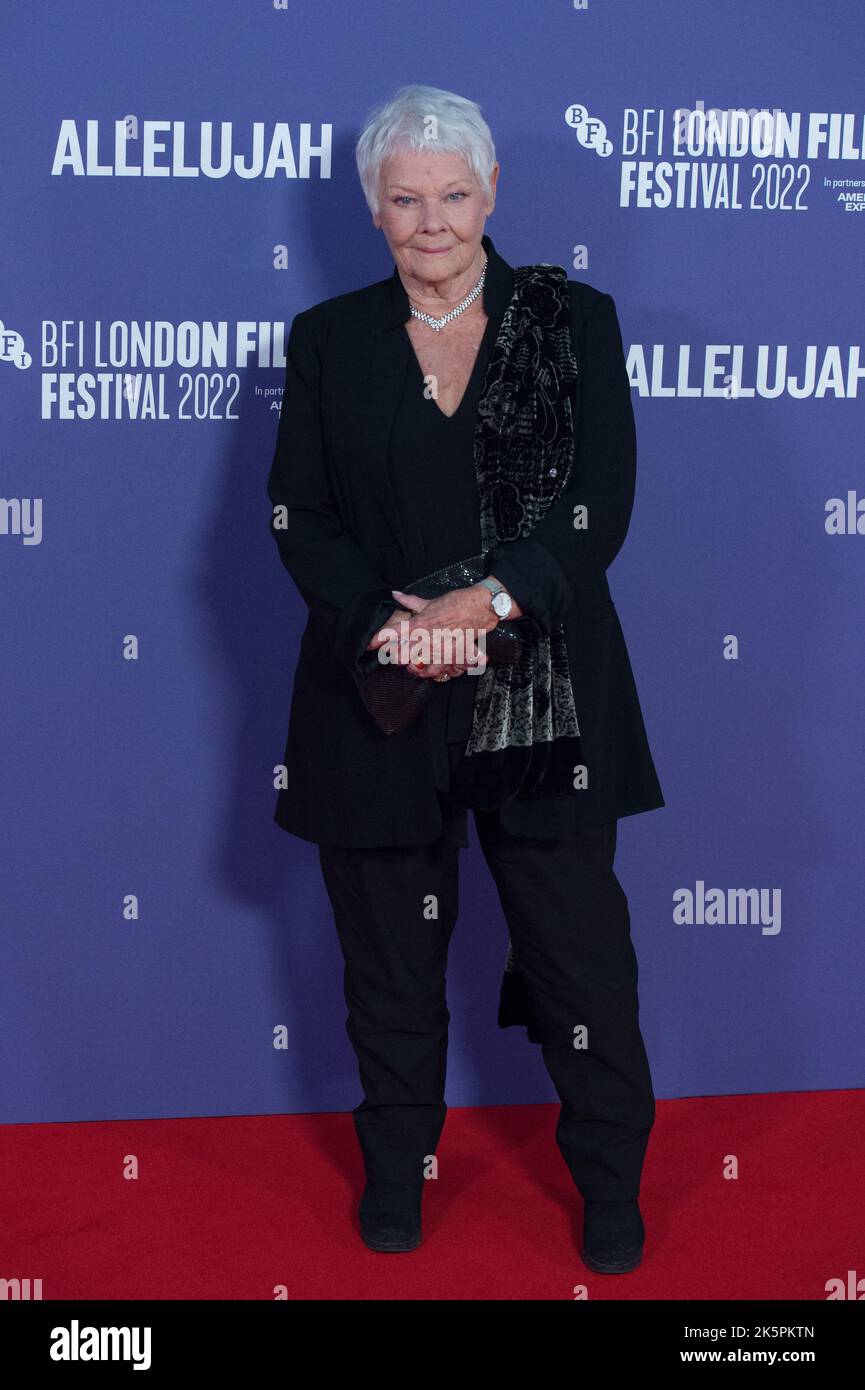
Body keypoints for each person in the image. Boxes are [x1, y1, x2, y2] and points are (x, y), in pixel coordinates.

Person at [267, 84, 665, 1273]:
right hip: (380, 692)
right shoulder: (330, 339)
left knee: (575, 954)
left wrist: (484, 605)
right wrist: (395, 631)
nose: (431, 219)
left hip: (538, 684)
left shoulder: (572, 319)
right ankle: (397, 1172)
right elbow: (302, 518)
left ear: (491, 195)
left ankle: (609, 1182)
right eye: (405, 199)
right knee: (388, 959)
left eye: (452, 193)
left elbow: (599, 503)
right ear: (374, 212)